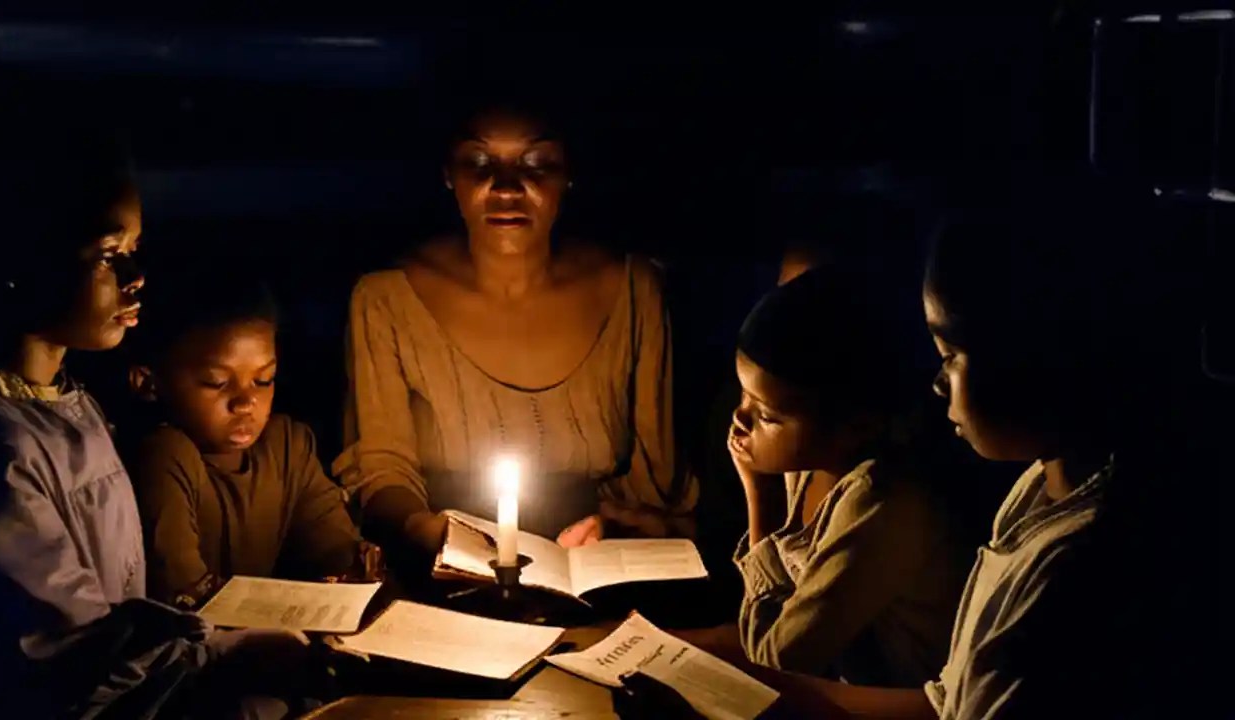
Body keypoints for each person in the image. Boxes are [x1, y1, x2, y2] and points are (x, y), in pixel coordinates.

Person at [620, 187, 1217, 718]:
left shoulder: (1075, 563)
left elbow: (781, 653)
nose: (936, 382)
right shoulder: (1036, 491)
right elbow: (944, 701)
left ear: (1040, 357)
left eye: (953, 353)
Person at [0, 111, 311, 719]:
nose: (136, 277)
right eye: (107, 255)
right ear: (23, 261)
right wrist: (227, 657)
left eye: (135, 250)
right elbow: (65, 653)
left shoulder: (74, 409)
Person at [334, 100, 696, 565]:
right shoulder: (386, 299)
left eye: (536, 164)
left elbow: (657, 480)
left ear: (568, 173)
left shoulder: (633, 290)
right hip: (445, 570)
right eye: (479, 163)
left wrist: (615, 528)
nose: (506, 189)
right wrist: (423, 529)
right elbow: (379, 467)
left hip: (596, 567)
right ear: (449, 174)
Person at [728, 268, 967, 687]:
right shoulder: (808, 465)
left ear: (856, 424)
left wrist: (759, 500)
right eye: (743, 396)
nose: (740, 418)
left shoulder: (881, 501)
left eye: (766, 415)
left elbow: (775, 660)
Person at [127, 274, 379, 609]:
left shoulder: (288, 446)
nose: (246, 403)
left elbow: (331, 545)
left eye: (263, 380)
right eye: (216, 383)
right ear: (149, 383)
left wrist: (357, 565)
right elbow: (183, 592)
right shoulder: (164, 456)